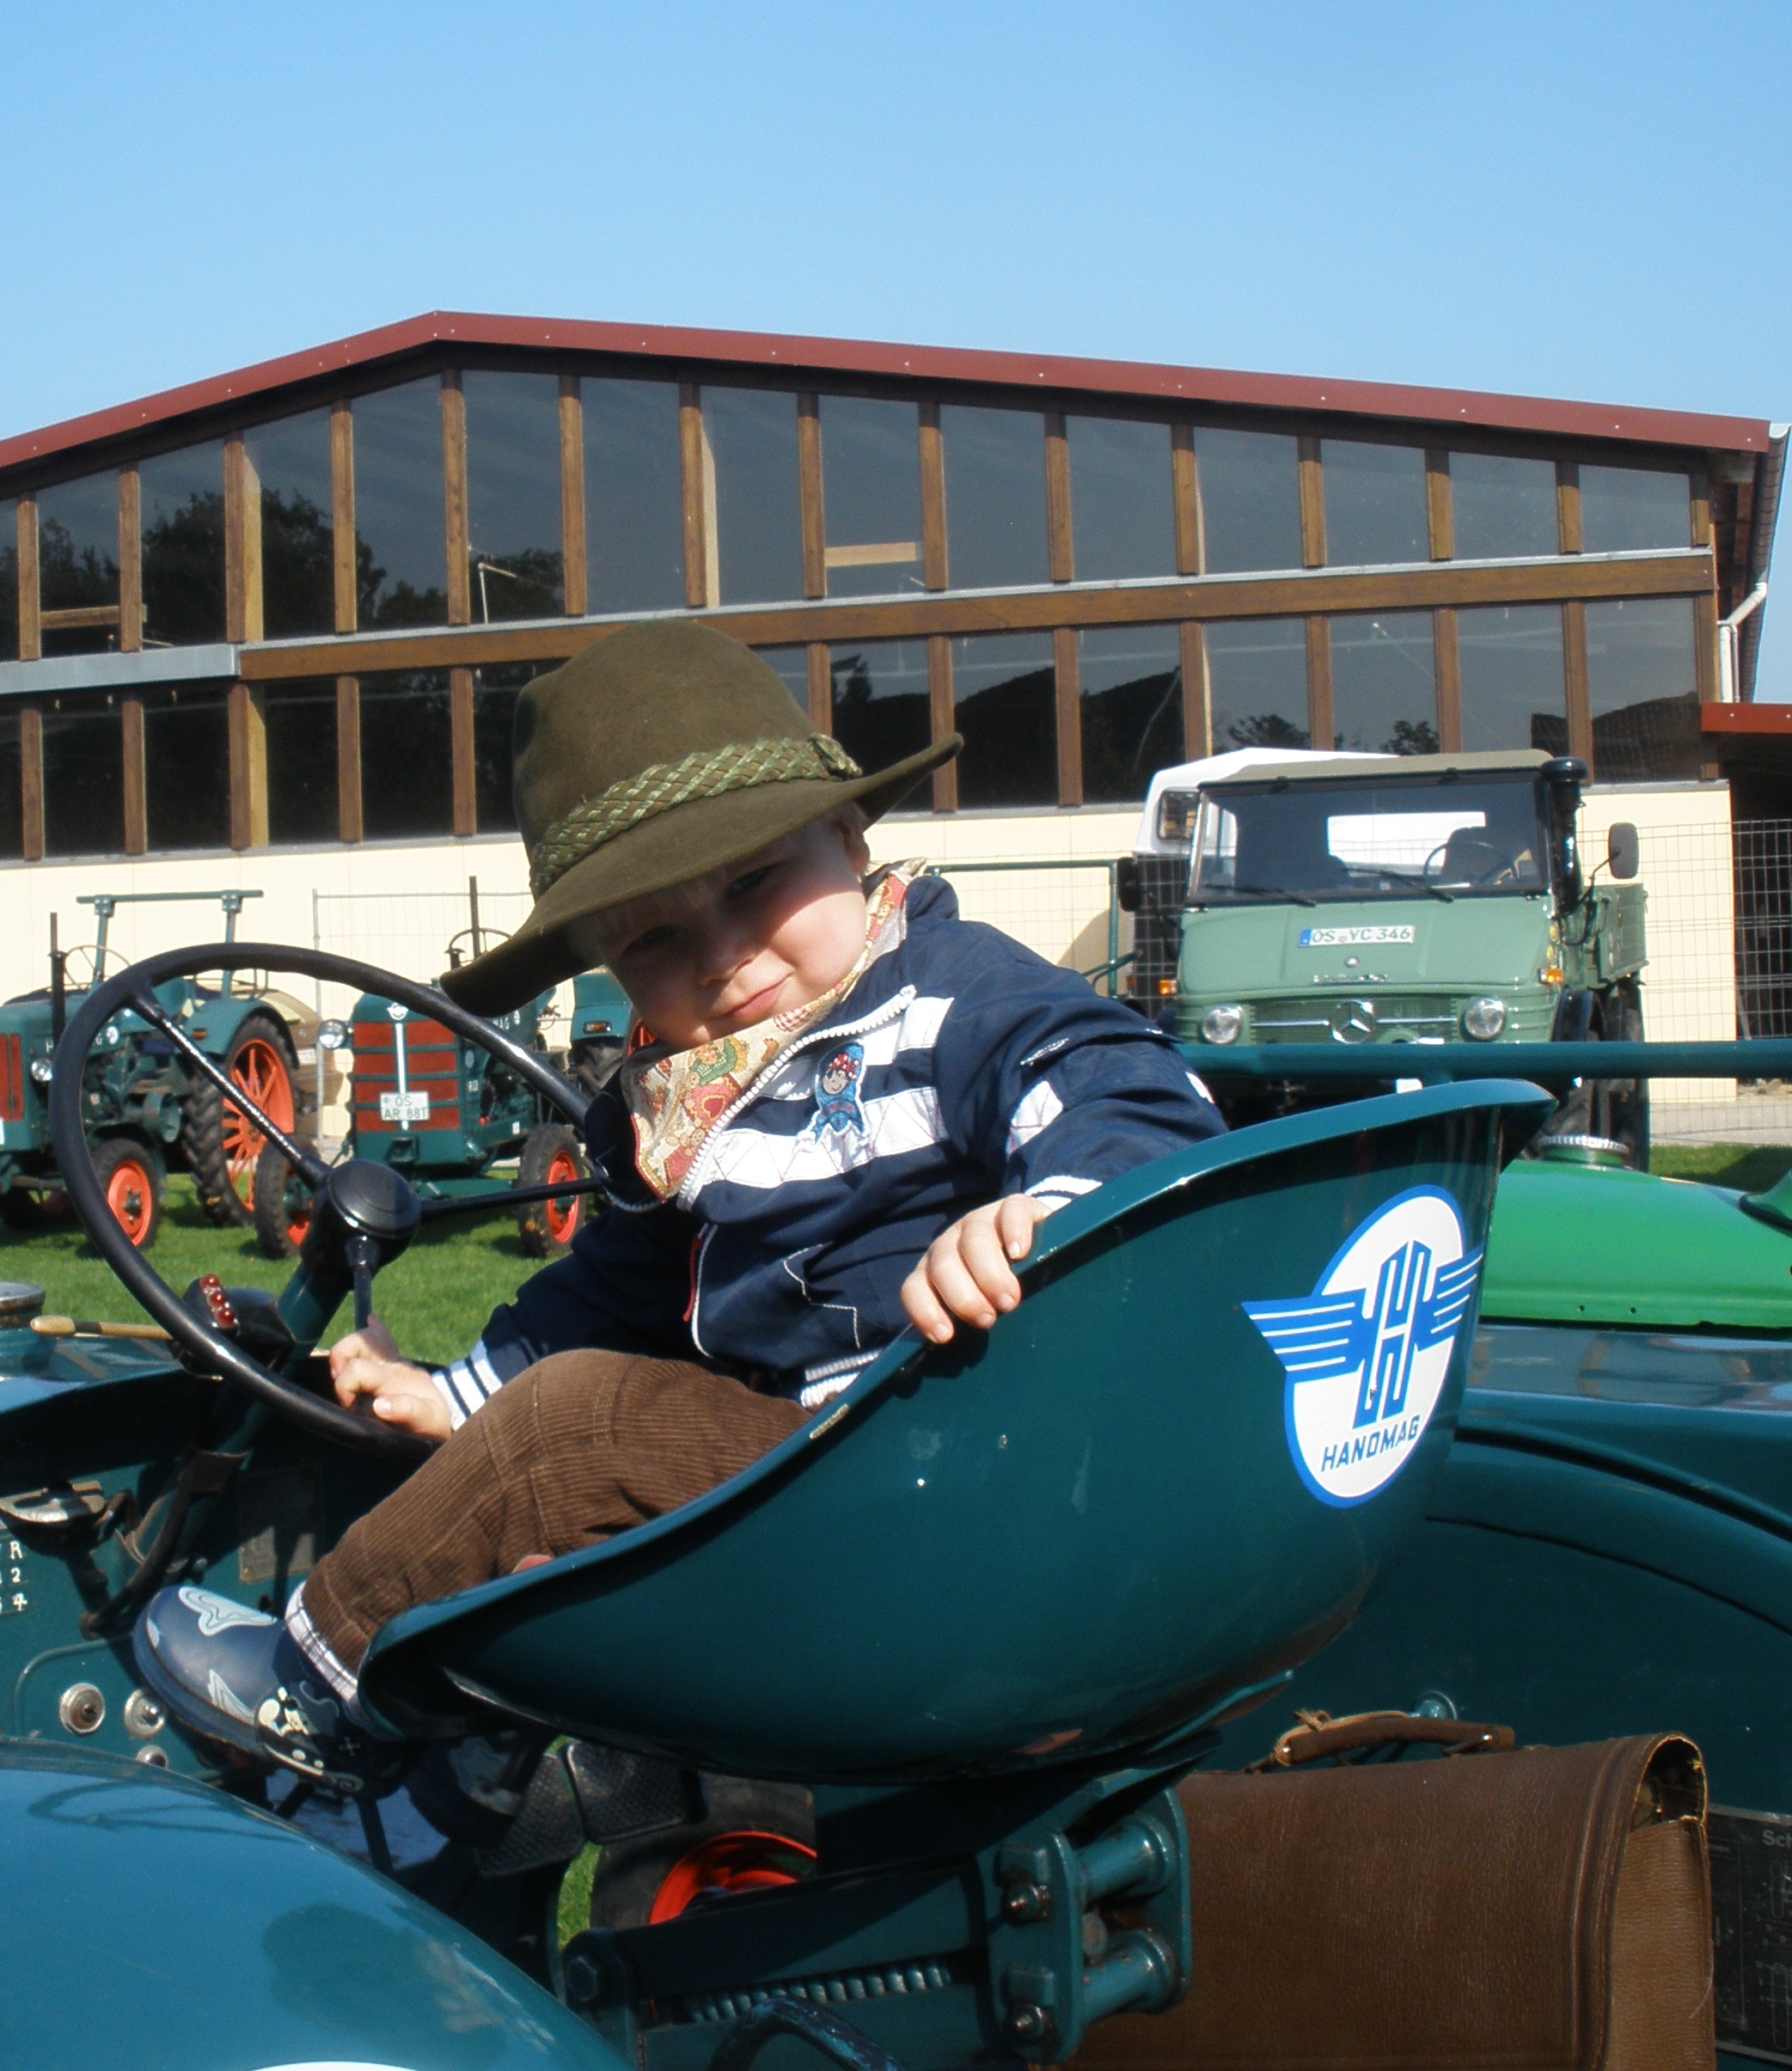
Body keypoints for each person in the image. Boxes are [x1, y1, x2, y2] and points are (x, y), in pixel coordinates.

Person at [135, 622, 1224, 1793]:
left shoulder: (955, 1000)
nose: (722, 954)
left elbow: (1138, 1099)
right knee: (576, 1463)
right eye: (655, 936)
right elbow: (621, 1285)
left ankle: (319, 1682)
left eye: (754, 879)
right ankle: (498, 1717)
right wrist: (453, 1396)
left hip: (950, 1462)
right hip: (820, 1473)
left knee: (570, 1436)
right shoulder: (681, 1098)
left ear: (850, 838)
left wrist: (1038, 1218)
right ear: (607, 959)